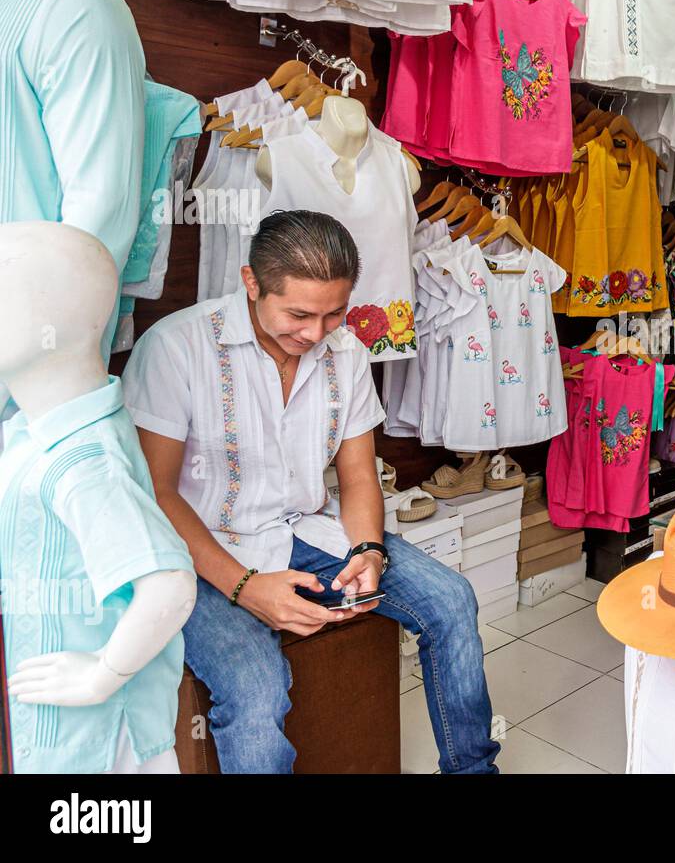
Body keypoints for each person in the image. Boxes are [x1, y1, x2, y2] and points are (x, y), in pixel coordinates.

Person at [122, 209, 499, 773]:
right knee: (255, 687)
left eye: (334, 313)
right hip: (199, 551)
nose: (317, 333)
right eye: (298, 314)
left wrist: (369, 549)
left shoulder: (344, 351)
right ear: (252, 283)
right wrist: (246, 588)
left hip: (302, 529)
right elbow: (157, 492)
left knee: (451, 601)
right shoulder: (176, 349)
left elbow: (357, 476)